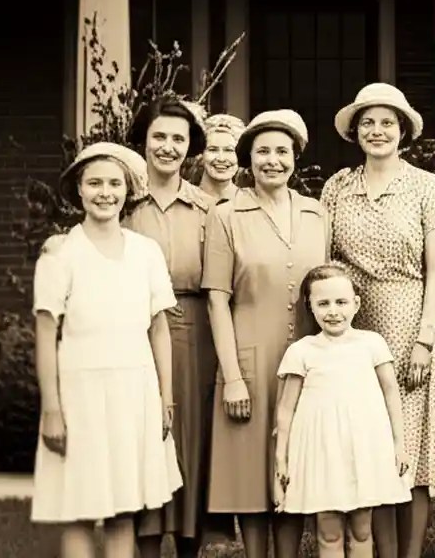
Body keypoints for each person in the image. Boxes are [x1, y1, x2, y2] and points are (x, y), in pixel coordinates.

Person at [30, 142, 182, 558]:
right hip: (80, 392)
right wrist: (52, 408)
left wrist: (165, 396)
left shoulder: (145, 252)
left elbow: (159, 329)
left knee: (124, 507)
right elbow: (46, 333)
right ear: (78, 190)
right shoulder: (61, 254)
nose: (105, 192)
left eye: (114, 183)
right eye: (94, 183)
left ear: (127, 190)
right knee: (80, 506)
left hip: (134, 390)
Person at [320, 83, 435, 558]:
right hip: (351, 325)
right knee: (366, 444)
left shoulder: (425, 185)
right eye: (368, 123)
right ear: (356, 132)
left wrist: (423, 338)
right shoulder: (337, 186)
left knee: (409, 453)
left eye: (387, 123)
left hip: (408, 321)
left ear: (403, 131)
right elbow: (326, 261)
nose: (377, 131)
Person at [203, 109, 331, 558]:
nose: (272, 160)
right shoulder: (226, 215)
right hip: (251, 360)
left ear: (295, 157)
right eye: (262, 151)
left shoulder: (317, 213)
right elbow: (218, 299)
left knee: (295, 464)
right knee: (251, 479)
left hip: (307, 363)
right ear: (248, 159)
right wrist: (232, 375)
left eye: (282, 151)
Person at [124, 96, 218, 558]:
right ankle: (143, 544)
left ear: (190, 147)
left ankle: (188, 547)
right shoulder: (123, 206)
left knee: (191, 440)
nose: (168, 146)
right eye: (159, 136)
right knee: (145, 434)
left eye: (178, 138)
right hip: (134, 332)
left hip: (196, 330)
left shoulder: (208, 208)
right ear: (143, 140)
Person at [273, 263, 412, 558]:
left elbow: (391, 394)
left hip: (363, 449)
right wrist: (281, 458)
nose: (333, 311)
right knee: (329, 531)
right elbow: (286, 410)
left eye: (341, 302)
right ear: (310, 307)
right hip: (321, 452)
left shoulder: (371, 343)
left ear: (356, 304)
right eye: (323, 304)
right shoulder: (302, 350)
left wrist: (399, 445)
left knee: (362, 530)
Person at [198, 113, 246, 203]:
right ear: (201, 154)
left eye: (229, 150)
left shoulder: (250, 203)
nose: (221, 158)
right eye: (213, 150)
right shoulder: (185, 201)